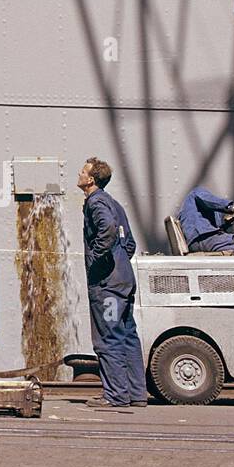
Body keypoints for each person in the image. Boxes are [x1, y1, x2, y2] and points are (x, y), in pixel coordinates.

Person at [79, 156, 147, 411]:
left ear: (91, 179)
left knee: (108, 338)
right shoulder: (114, 203)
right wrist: (119, 261)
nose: (79, 174)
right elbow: (129, 242)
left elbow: (106, 230)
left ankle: (116, 396)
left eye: (83, 171)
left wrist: (97, 260)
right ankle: (137, 394)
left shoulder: (96, 202)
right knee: (127, 335)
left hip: (107, 284)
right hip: (124, 281)